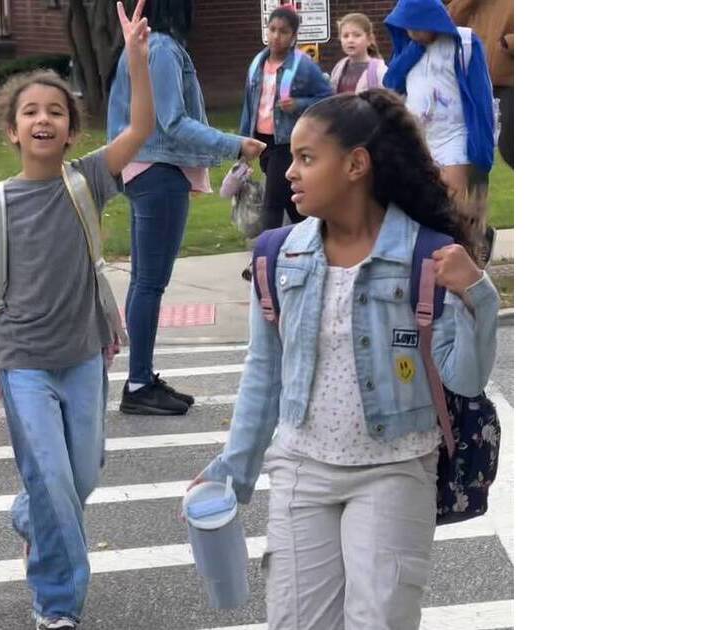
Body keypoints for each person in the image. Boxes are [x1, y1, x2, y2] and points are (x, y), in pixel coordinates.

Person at [192, 89, 499, 630]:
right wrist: (232, 473)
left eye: (307, 158)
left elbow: (466, 379)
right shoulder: (278, 255)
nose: (289, 171)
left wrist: (479, 294)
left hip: (395, 466)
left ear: (356, 165)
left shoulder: (427, 256)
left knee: (379, 620)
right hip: (302, 468)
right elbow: (264, 374)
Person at [0, 3, 154, 628]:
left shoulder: (87, 181)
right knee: (57, 487)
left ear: (71, 132)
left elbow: (142, 127)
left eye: (56, 111)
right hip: (22, 365)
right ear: (12, 130)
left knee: (79, 479)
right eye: (30, 112)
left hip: (84, 355)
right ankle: (57, 604)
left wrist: (137, 60)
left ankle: (29, 513)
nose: (43, 119)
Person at [108, 0, 266, 416]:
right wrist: (236, 143)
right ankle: (139, 384)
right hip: (157, 170)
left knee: (145, 281)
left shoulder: (150, 46)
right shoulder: (160, 47)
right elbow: (172, 121)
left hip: (148, 169)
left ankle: (141, 377)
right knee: (149, 283)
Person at [383, 0, 497, 264]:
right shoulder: (410, 49)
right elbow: (391, 82)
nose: (412, 32)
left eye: (417, 26)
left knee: (455, 204)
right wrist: (414, 49)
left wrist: (480, 146)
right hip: (422, 139)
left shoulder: (463, 44)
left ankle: (469, 250)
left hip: (455, 134)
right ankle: (450, 249)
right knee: (426, 203)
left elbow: (480, 95)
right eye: (407, 27)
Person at [238, 4, 334, 230]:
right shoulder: (257, 64)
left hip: (287, 143)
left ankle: (262, 261)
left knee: (271, 204)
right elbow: (249, 105)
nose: (276, 36)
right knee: (291, 203)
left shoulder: (303, 66)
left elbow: (328, 97)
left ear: (293, 36)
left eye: (283, 31)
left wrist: (299, 104)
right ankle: (318, 238)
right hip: (263, 142)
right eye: (272, 30)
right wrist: (242, 142)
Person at [447, 0, 513, 168]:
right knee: (476, 149)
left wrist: (509, 43)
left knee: (509, 144)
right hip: (476, 78)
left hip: (509, 77)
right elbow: (450, 20)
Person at [329, 12, 388, 95]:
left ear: (369, 40)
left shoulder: (379, 70)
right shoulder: (339, 67)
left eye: (357, 35)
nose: (350, 40)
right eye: (345, 36)